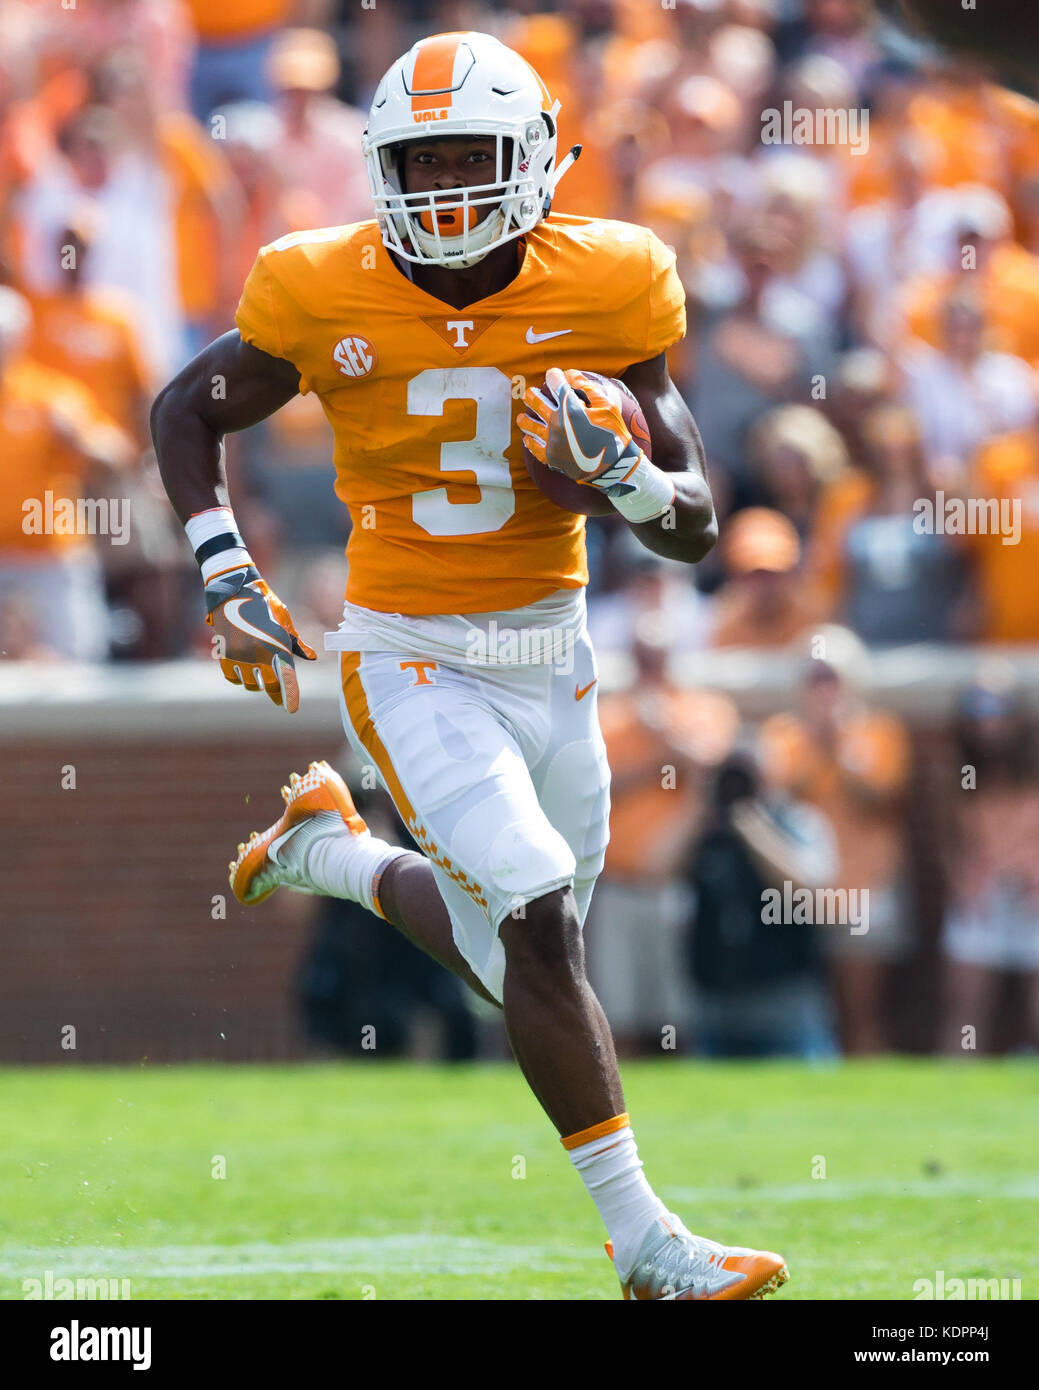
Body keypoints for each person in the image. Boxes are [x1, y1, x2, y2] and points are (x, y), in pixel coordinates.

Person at [152, 31, 788, 1301]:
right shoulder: (318, 283)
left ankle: (330, 850)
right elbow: (187, 408)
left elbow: (695, 527)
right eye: (417, 162)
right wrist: (228, 575)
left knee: (520, 963)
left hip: (554, 656)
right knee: (536, 909)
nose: (442, 190)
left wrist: (621, 475)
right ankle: (650, 1247)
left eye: (468, 159)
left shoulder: (612, 279)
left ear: (538, 157)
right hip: (407, 655)